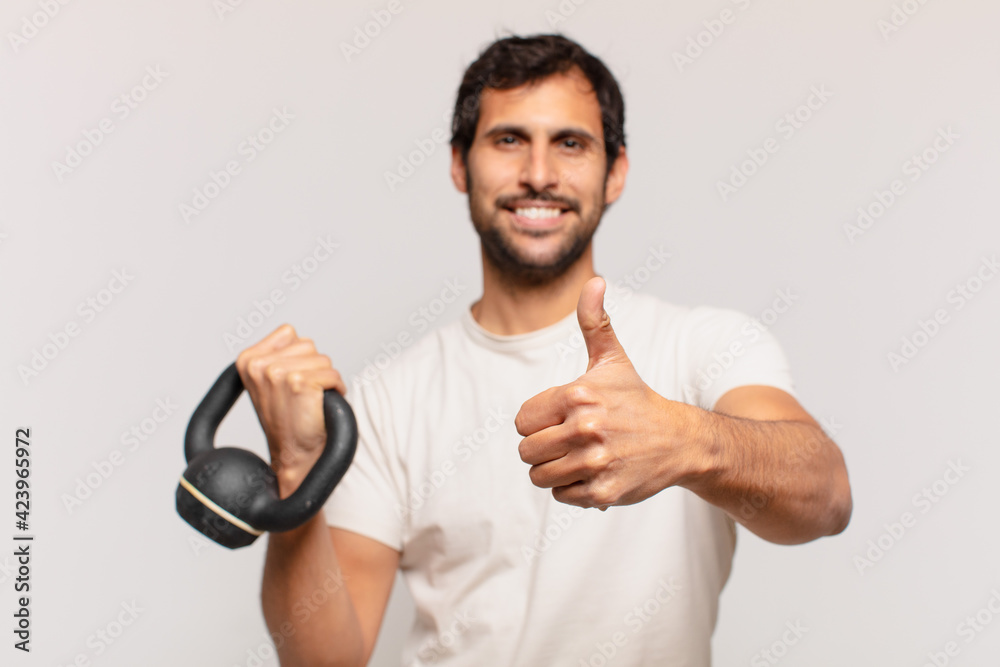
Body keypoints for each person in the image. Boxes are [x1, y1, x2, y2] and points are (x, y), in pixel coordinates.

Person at [234, 33, 852, 667]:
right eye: (508, 140)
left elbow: (826, 497)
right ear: (458, 164)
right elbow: (323, 662)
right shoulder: (388, 401)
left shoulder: (707, 346)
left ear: (615, 173)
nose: (538, 175)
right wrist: (299, 473)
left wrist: (687, 441)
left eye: (570, 144)